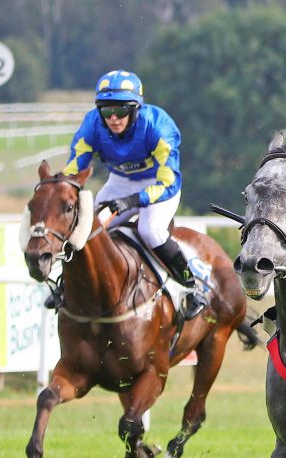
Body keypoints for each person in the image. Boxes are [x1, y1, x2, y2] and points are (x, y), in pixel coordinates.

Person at [60, 69, 207, 318]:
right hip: (120, 182)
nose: (114, 118)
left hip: (158, 185)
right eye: (106, 111)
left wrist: (132, 201)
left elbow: (168, 182)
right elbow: (74, 168)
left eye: (122, 111)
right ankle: (65, 289)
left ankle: (191, 286)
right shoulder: (92, 125)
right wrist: (61, 187)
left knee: (150, 230)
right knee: (85, 231)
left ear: (136, 109)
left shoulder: (159, 127)